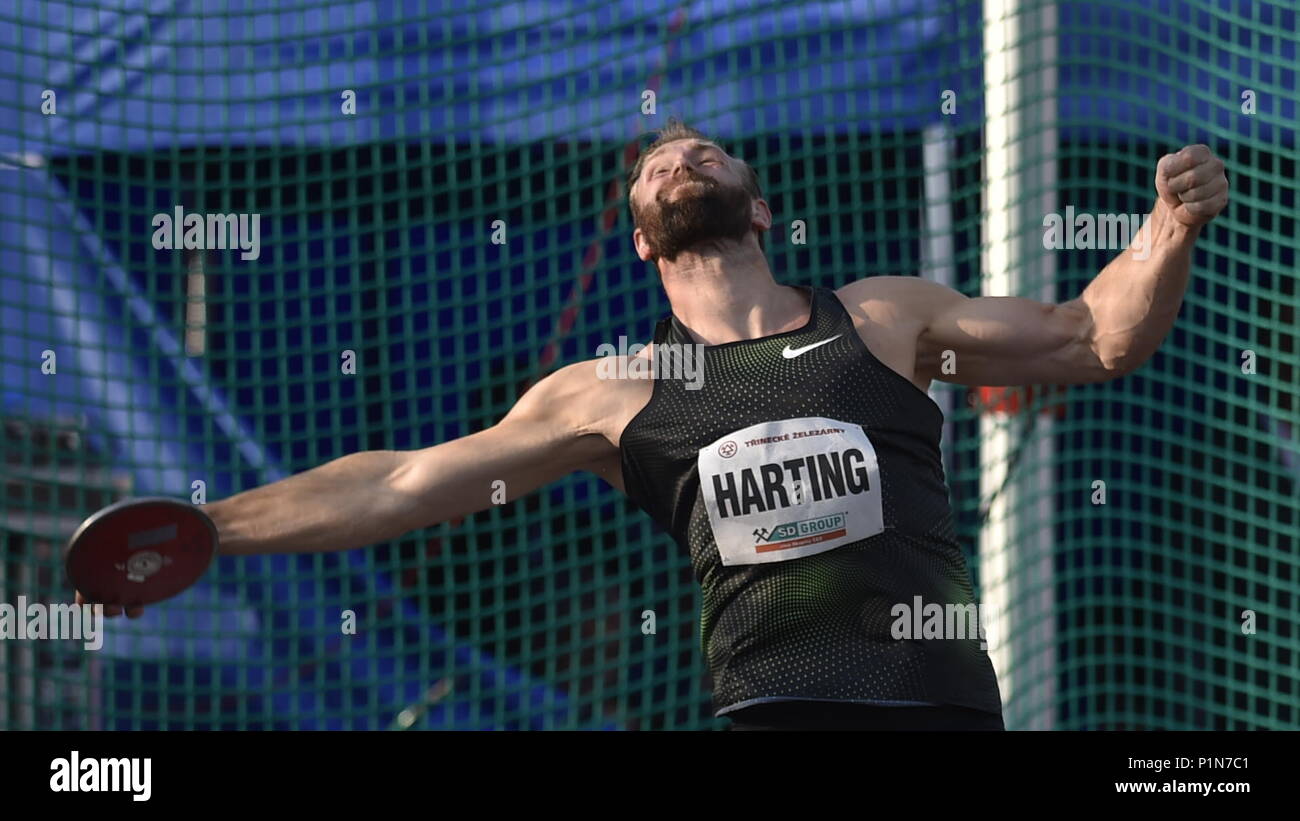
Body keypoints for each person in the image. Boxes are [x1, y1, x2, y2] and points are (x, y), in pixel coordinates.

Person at [79, 118, 1228, 730]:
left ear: (757, 207)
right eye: (656, 161)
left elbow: (1090, 338)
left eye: (705, 149)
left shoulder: (881, 316)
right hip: (775, 708)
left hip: (941, 707)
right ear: (641, 239)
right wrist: (215, 526)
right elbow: (403, 480)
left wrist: (1164, 230)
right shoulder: (608, 394)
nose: (681, 155)